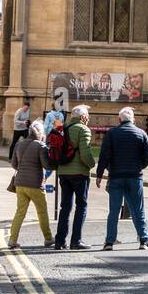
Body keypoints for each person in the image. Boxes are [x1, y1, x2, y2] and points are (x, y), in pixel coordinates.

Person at [95, 107, 148, 251]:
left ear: (119, 119)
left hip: (116, 176)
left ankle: (109, 242)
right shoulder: (141, 133)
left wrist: (99, 174)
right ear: (133, 119)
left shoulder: (112, 133)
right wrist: (140, 166)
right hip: (135, 176)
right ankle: (143, 240)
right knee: (138, 209)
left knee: (114, 211)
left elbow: (104, 155)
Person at [54, 105, 95, 250]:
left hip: (63, 172)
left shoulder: (61, 129)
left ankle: (60, 241)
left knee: (65, 207)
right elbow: (85, 153)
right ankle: (76, 241)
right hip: (79, 174)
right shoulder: (83, 129)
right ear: (83, 117)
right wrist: (92, 164)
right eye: (87, 115)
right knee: (81, 206)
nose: (88, 118)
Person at [8, 121, 54, 249]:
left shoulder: (19, 144)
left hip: (20, 184)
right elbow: (46, 165)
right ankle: (48, 238)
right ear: (41, 133)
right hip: (35, 184)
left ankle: (12, 240)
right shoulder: (40, 146)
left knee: (20, 212)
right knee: (42, 212)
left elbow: (14, 164)